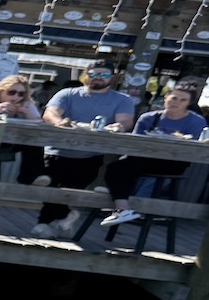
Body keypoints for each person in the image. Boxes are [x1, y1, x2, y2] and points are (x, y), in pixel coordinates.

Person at [30, 60, 137, 239]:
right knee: (49, 187)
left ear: (112, 77)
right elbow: (50, 113)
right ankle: (55, 220)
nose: (98, 78)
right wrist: (59, 122)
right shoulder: (67, 93)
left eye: (103, 75)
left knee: (71, 191)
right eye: (93, 74)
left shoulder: (122, 99)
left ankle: (49, 222)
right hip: (57, 150)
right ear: (85, 75)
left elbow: (125, 121)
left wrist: (118, 126)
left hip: (91, 154)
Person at [96, 84, 208, 226]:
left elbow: (193, 148)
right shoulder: (149, 117)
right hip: (145, 156)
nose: (176, 102)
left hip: (174, 160)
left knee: (125, 170)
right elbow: (134, 143)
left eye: (183, 100)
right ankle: (123, 208)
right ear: (166, 98)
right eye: (174, 98)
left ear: (189, 103)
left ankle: (118, 194)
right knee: (116, 166)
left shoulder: (196, 121)